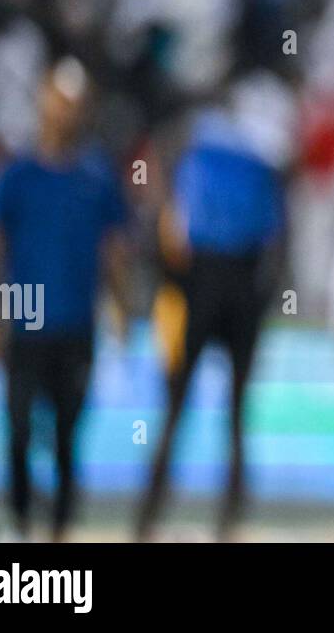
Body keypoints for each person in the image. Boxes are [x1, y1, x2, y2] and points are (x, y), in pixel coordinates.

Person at [0, 57, 130, 542]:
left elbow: (116, 252)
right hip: (26, 325)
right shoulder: (15, 174)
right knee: (18, 432)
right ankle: (20, 526)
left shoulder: (98, 176)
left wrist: (121, 310)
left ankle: (58, 533)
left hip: (76, 328)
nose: (66, 114)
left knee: (65, 439)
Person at [135, 82, 289, 542]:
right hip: (239, 280)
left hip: (201, 279)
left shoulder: (196, 142)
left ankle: (146, 521)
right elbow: (279, 234)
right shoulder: (262, 153)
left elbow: (160, 181)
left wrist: (167, 271)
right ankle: (226, 525)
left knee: (178, 403)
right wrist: (266, 294)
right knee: (235, 410)